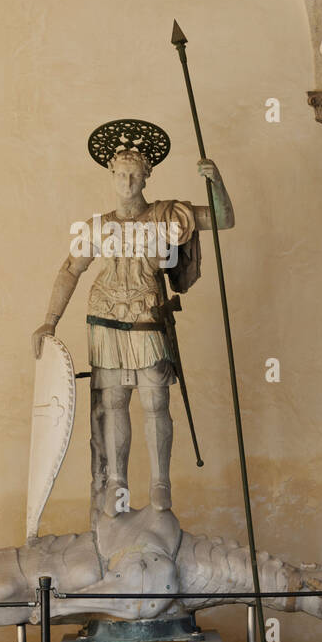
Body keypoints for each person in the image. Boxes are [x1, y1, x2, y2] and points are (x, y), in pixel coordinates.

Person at [32, 118, 234, 526]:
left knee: (156, 401)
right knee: (113, 404)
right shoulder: (98, 226)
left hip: (147, 314)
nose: (126, 180)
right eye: (119, 173)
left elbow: (222, 219)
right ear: (111, 175)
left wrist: (217, 183)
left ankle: (161, 483)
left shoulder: (166, 216)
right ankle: (117, 486)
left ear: (146, 177)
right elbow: (70, 270)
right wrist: (49, 321)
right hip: (105, 317)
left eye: (133, 174)